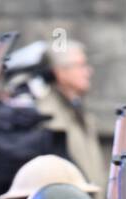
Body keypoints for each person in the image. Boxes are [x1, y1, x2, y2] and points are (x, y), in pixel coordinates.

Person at [35, 40, 106, 191]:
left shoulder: (77, 109)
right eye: (80, 65)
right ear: (59, 72)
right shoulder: (47, 114)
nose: (88, 71)